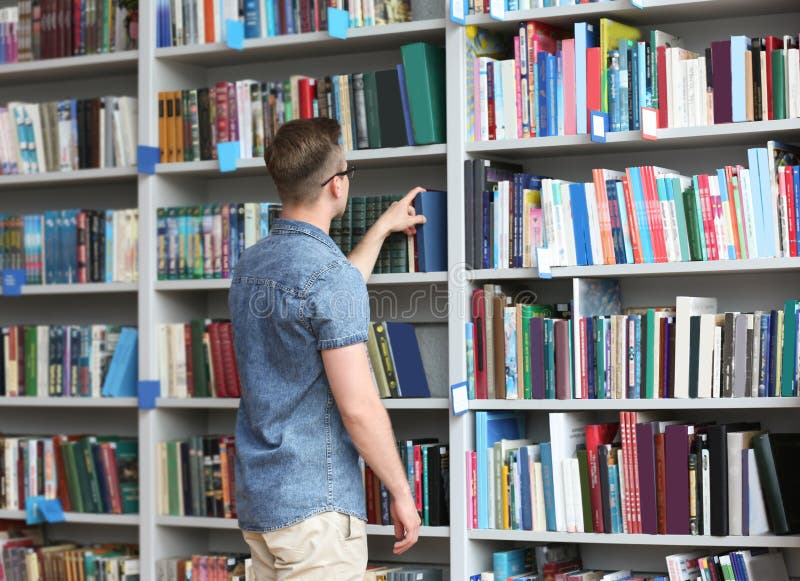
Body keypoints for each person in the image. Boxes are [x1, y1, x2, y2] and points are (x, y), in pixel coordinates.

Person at [229, 117, 426, 580]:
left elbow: (328, 295)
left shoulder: (250, 265)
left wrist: (379, 230)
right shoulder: (328, 278)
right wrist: (401, 491)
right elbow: (358, 407)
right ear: (338, 185)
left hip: (262, 503)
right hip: (316, 509)